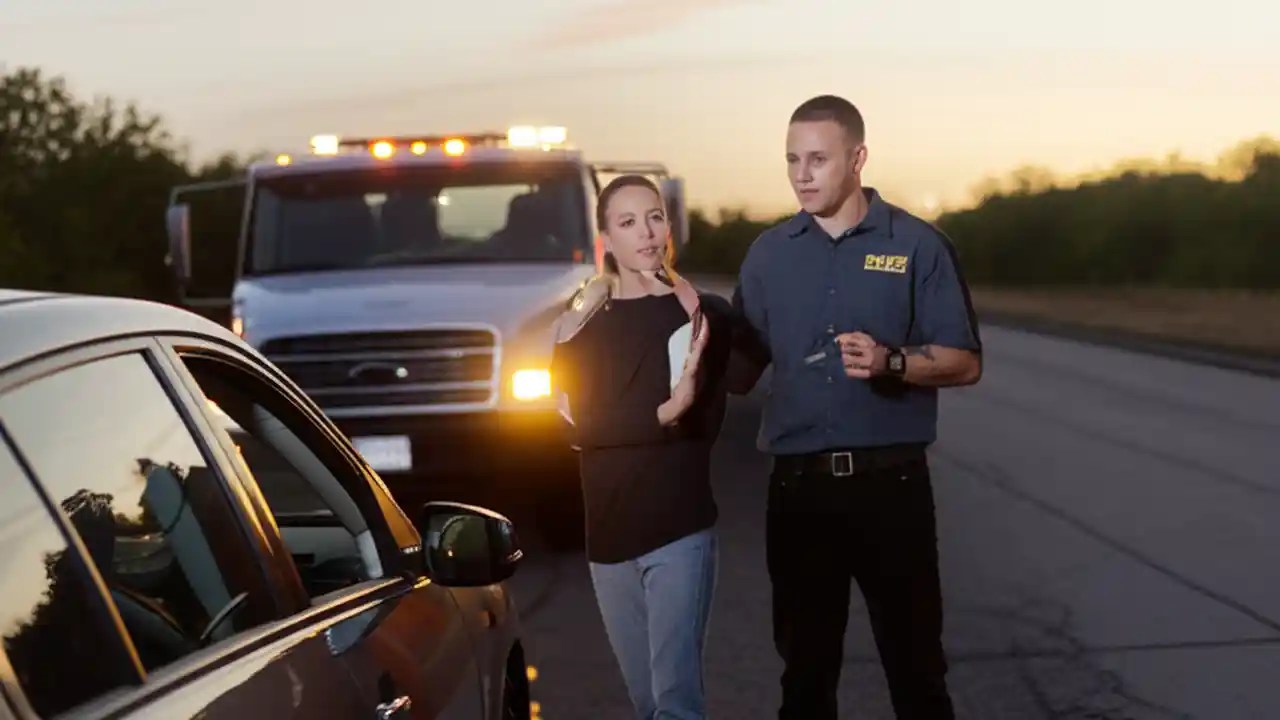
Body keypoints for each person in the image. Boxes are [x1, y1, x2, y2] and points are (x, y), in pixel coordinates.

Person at [729, 94, 983, 719]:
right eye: (792, 159)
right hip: (798, 496)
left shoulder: (918, 246)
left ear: (858, 158)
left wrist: (892, 362)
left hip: (890, 490)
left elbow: (965, 361)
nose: (801, 174)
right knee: (805, 678)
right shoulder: (769, 255)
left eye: (818, 158)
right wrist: (676, 326)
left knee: (917, 671)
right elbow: (736, 372)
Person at [550, 174, 735, 720]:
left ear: (669, 224)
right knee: (646, 703)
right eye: (628, 222)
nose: (647, 233)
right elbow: (573, 427)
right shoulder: (579, 325)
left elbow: (700, 417)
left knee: (675, 704)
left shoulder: (702, 315)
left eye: (655, 216)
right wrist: (659, 413)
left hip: (678, 530)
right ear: (606, 237)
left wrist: (668, 414)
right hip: (607, 540)